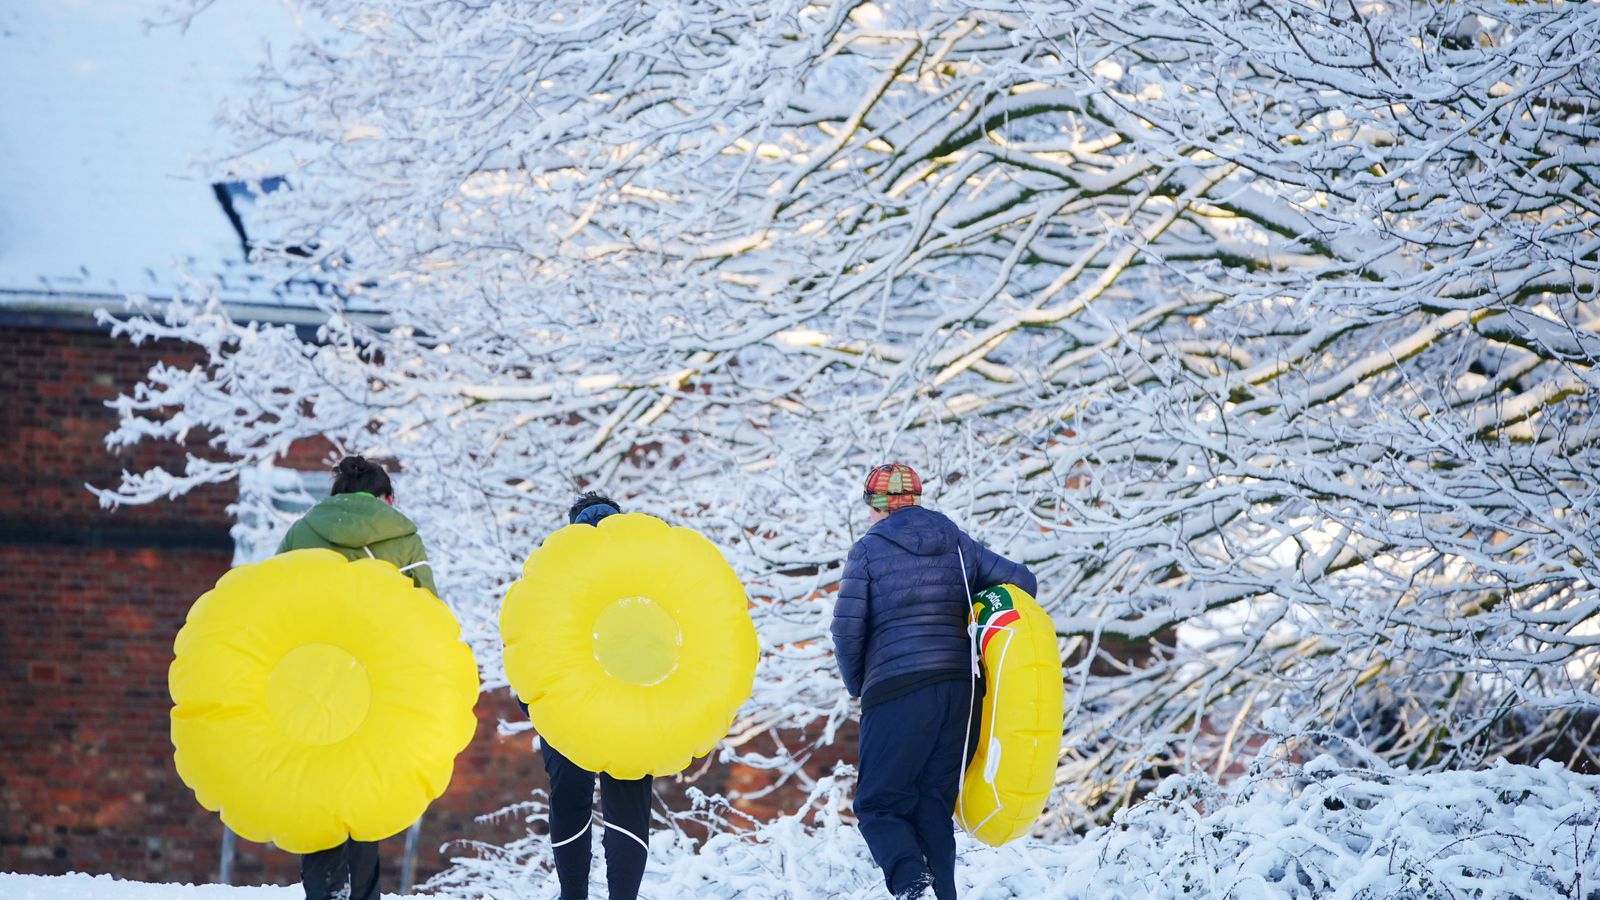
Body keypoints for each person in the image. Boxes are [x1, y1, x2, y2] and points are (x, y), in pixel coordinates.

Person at [831, 463, 1038, 900]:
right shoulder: (956, 543)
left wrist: (858, 685)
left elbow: (848, 630)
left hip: (897, 690)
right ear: (917, 500)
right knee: (931, 805)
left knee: (878, 805)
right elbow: (1022, 581)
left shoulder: (867, 550)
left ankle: (912, 887)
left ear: (876, 507)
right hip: (958, 692)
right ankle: (941, 894)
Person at [275, 455, 435, 900]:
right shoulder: (402, 538)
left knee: (319, 787)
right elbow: (430, 620)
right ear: (385, 498)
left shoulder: (301, 533)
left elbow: (269, 604)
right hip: (380, 686)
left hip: (310, 680)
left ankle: (324, 891)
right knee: (364, 793)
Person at [524, 492, 655, 900]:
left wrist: (529, 697)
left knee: (569, 798)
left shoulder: (556, 571)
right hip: (630, 702)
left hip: (568, 705)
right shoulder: (647, 570)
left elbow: (529, 638)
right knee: (628, 804)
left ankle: (572, 893)